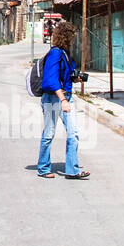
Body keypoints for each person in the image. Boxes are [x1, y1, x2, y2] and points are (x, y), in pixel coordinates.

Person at [37, 21, 89, 180]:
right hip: (53, 98)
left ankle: (72, 170)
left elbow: (64, 76)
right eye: (71, 36)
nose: (73, 39)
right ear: (66, 37)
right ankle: (43, 167)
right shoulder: (55, 53)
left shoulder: (65, 54)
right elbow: (50, 80)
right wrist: (63, 100)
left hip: (66, 96)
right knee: (49, 133)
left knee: (73, 133)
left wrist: (75, 78)